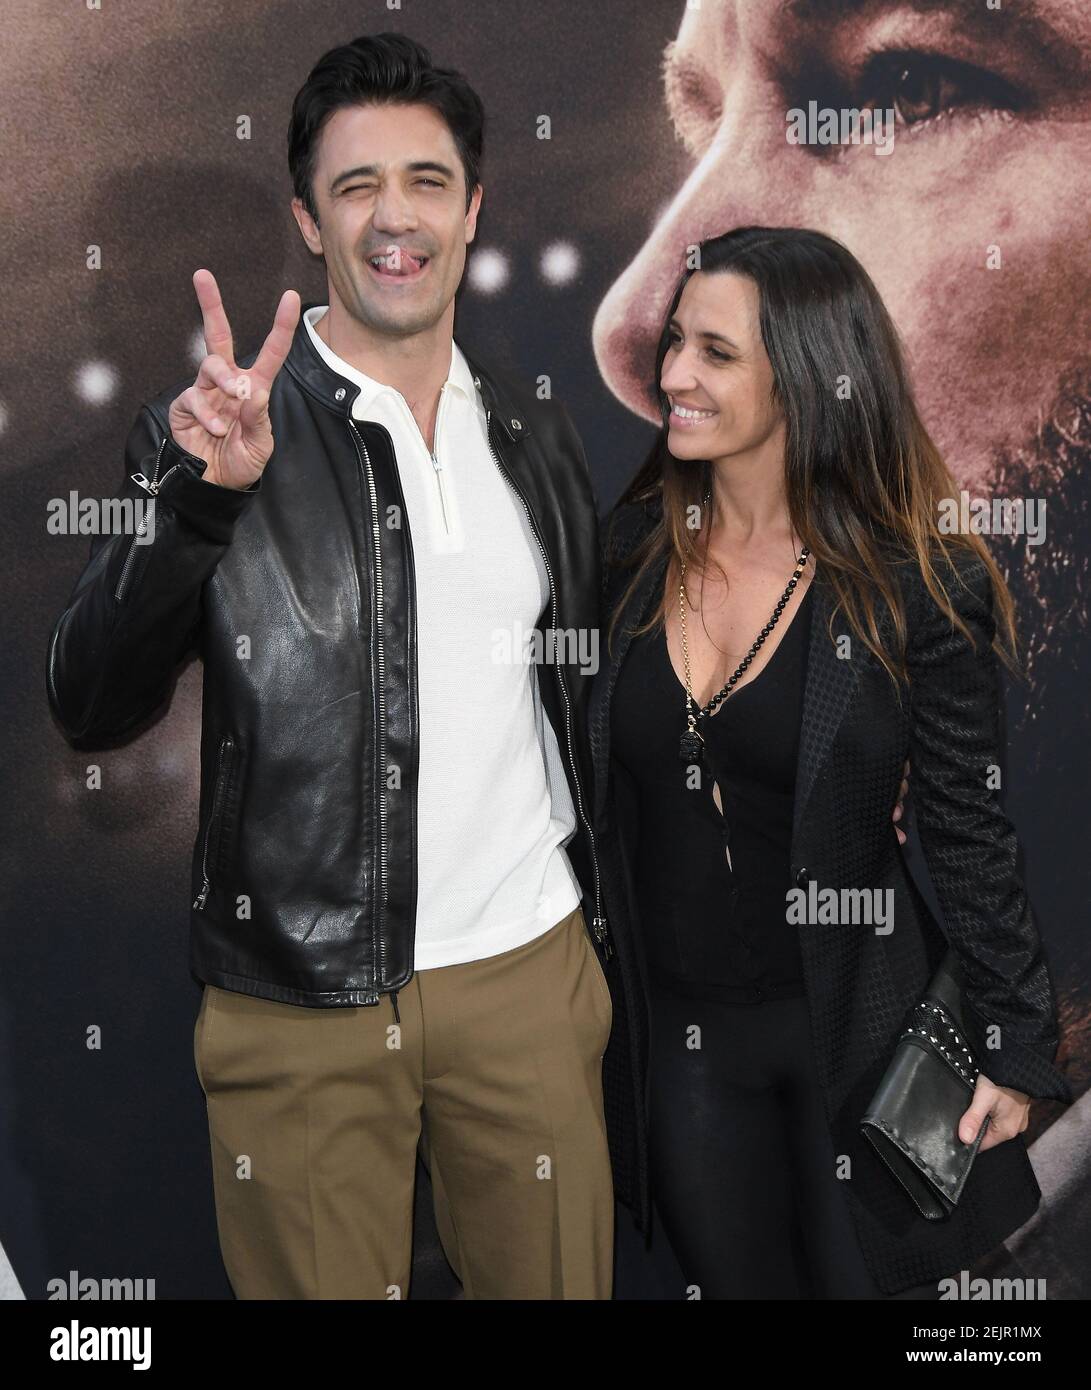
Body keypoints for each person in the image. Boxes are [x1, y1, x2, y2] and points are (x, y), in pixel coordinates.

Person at [46, 32, 613, 1300]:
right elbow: (89, 701)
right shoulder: (210, 433)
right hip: (301, 998)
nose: (393, 218)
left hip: (526, 973)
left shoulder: (534, 423)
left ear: (475, 208)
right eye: (357, 187)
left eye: (426, 180)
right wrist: (198, 502)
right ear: (308, 220)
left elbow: (575, 687)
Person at [589, 226, 1073, 1298]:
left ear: (806, 371)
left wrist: (1014, 1042)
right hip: (679, 1050)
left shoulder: (917, 582)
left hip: (857, 1037)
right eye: (674, 342)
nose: (670, 374)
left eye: (713, 353)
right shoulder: (620, 556)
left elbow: (963, 828)